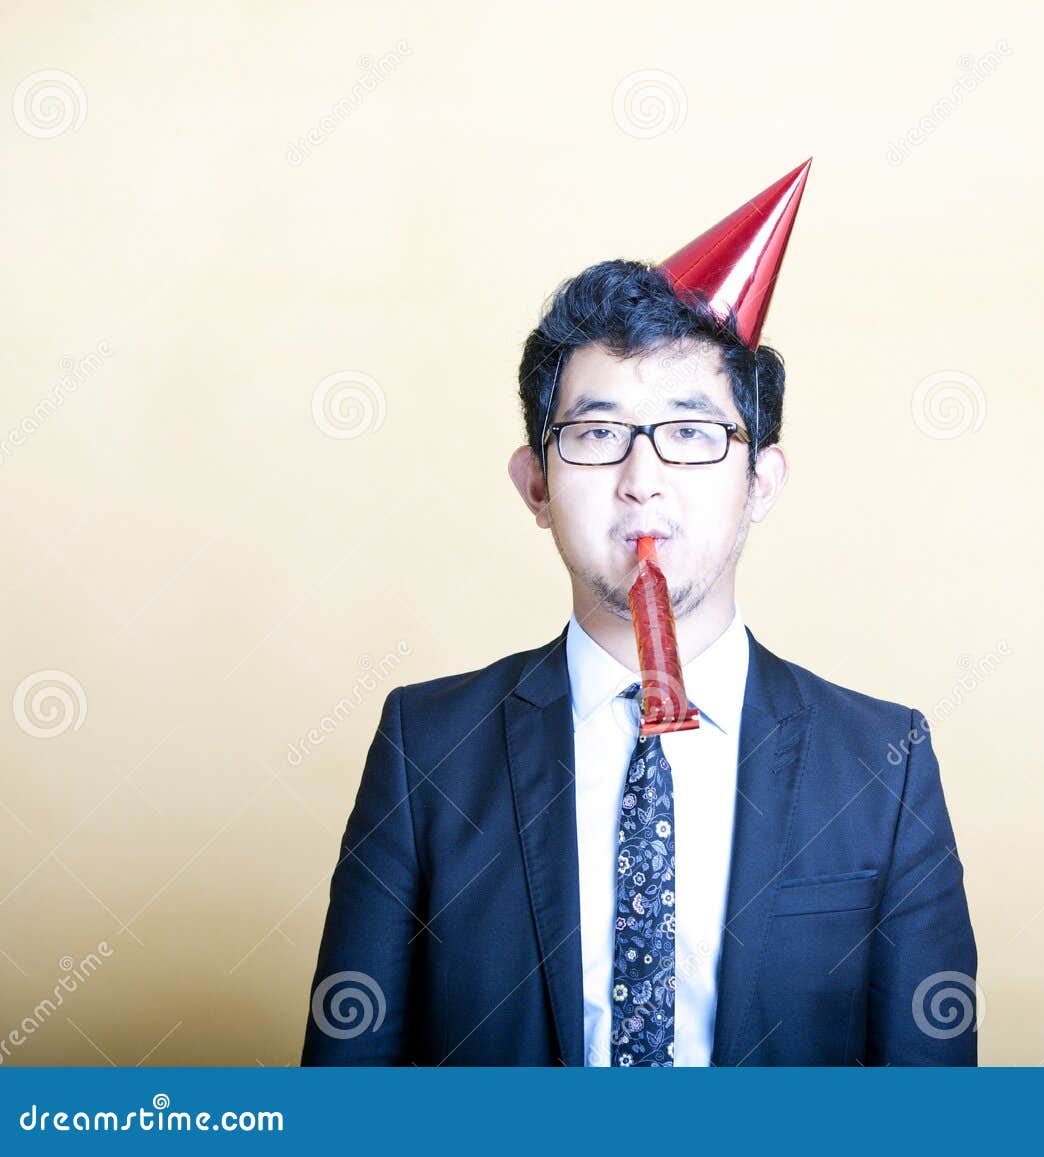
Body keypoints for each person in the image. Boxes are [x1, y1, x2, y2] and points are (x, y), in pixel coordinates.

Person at [300, 161, 978, 1066]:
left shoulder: (882, 766)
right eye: (596, 433)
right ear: (535, 483)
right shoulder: (427, 748)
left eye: (693, 433)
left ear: (761, 483)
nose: (643, 479)